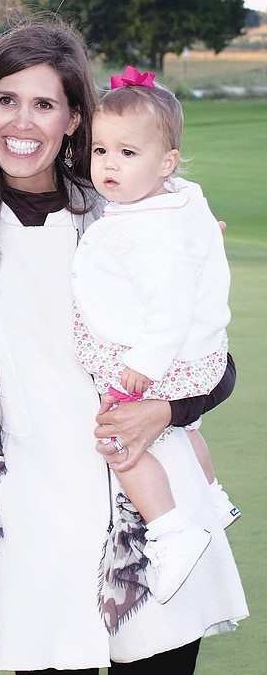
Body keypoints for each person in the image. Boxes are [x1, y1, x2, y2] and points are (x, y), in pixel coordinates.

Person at [0, 17, 247, 673]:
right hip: (35, 520)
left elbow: (212, 356)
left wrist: (166, 411)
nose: (24, 122)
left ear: (74, 120)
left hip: (148, 512)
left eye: (45, 104)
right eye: (7, 99)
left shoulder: (125, 212)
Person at [71, 68, 240, 604]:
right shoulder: (178, 198)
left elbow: (170, 305)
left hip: (160, 357)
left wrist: (142, 364)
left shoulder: (150, 230)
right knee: (181, 434)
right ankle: (212, 499)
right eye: (100, 151)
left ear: (165, 162)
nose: (108, 166)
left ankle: (170, 529)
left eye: (127, 153)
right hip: (198, 354)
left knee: (116, 434)